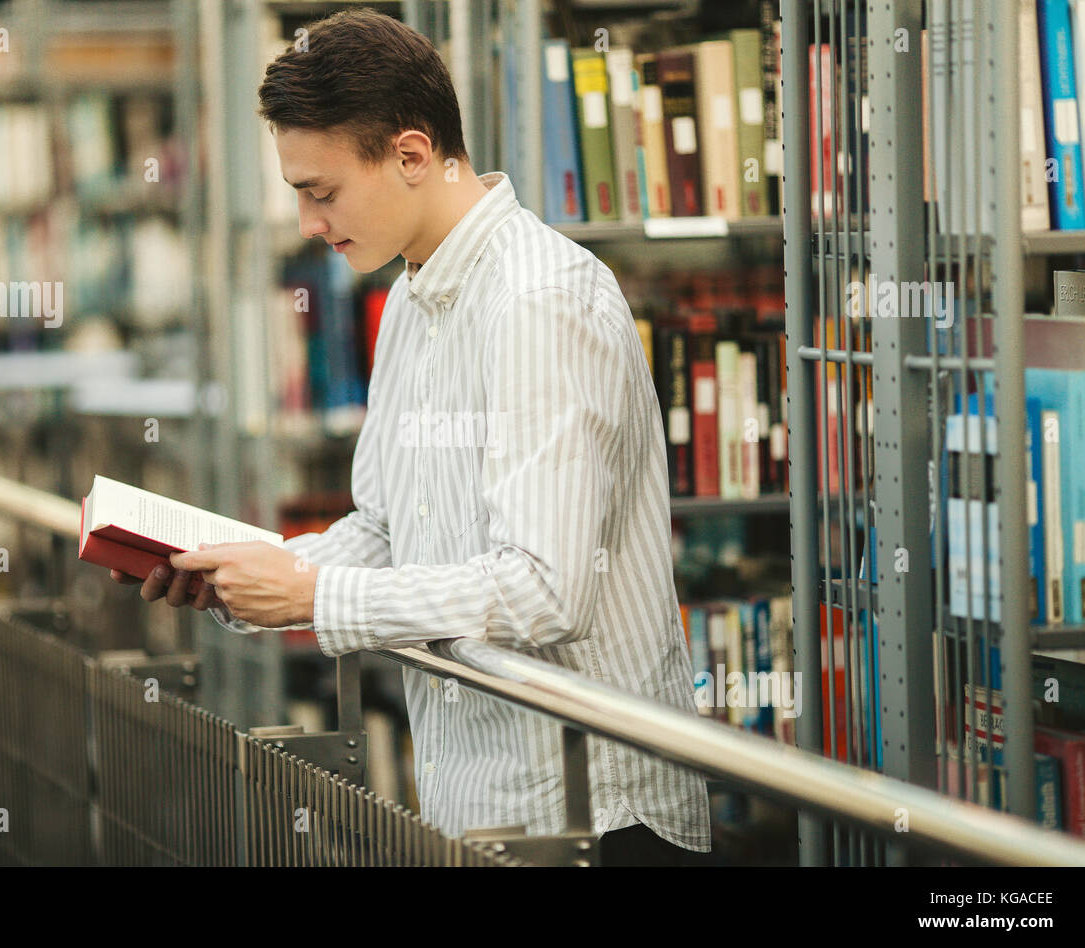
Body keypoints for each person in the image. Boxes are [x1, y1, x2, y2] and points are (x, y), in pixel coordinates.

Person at [112, 7, 710, 866]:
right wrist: (250, 578)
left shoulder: (540, 301)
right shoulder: (411, 304)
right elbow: (387, 529)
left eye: (322, 192)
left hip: (594, 816)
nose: (312, 223)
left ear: (412, 155)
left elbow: (545, 590)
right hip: (476, 804)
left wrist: (315, 602)